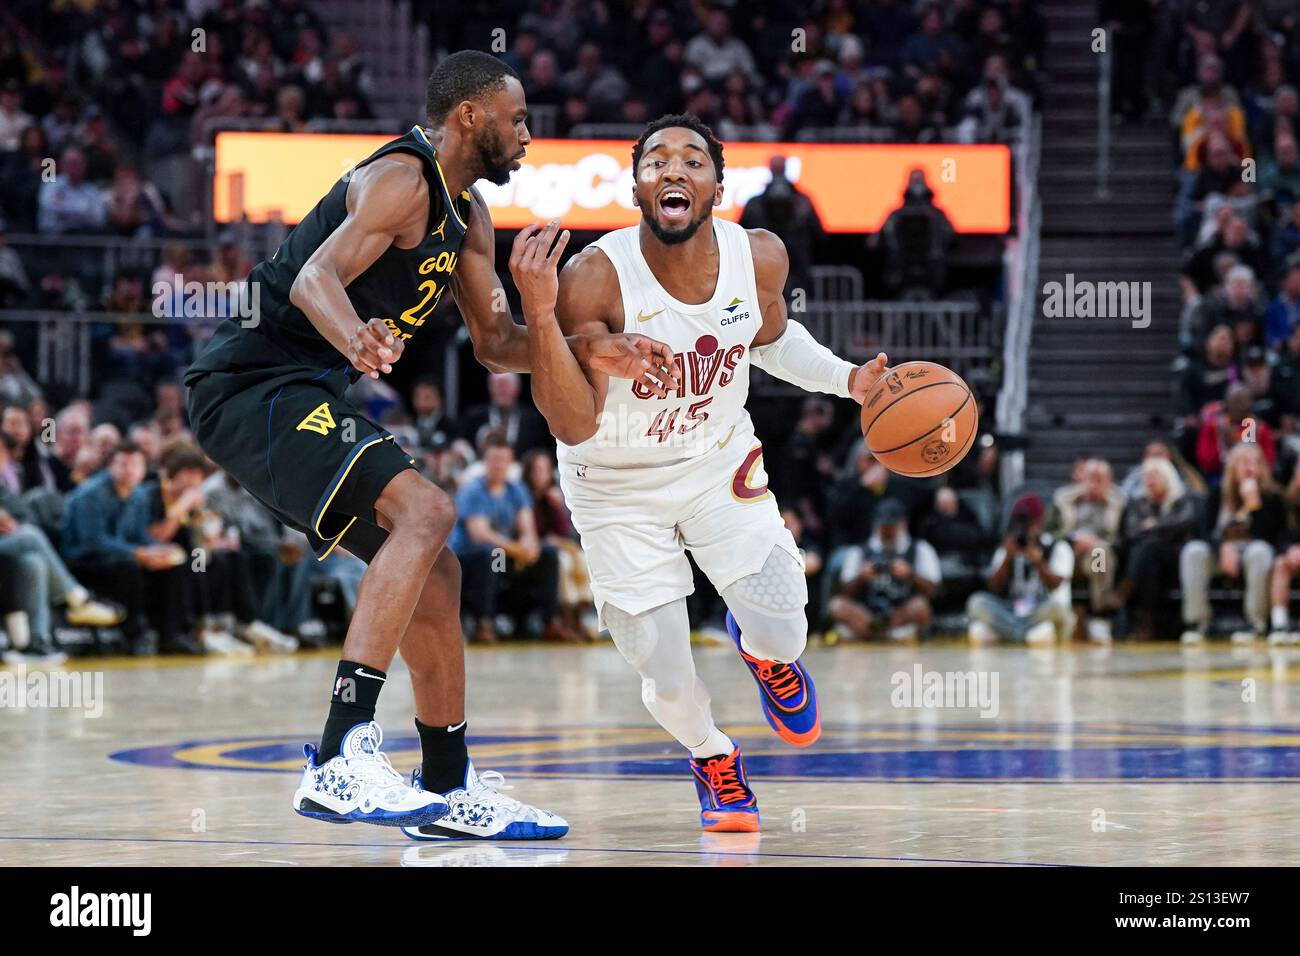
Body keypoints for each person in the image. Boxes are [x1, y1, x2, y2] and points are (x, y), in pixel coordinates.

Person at [185, 51, 674, 839]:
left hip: (302, 389)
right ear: (471, 116)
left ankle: (447, 789)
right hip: (250, 387)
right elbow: (315, 278)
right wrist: (357, 341)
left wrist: (584, 344)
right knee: (428, 511)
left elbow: (496, 343)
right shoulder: (403, 179)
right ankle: (339, 755)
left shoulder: (469, 217)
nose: (526, 136)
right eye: (516, 120)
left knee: (438, 572)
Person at [510, 113, 888, 832]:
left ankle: (762, 655)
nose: (673, 170)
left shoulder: (761, 257)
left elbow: (771, 339)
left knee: (785, 630)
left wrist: (849, 381)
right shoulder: (594, 274)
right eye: (656, 161)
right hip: (616, 484)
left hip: (715, 463)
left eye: (692, 160)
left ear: (718, 185)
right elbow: (569, 422)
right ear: (637, 187)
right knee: (663, 665)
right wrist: (580, 345)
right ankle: (713, 755)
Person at [450, 432, 571, 643]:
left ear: (511, 461)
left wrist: (530, 545)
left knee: (548, 554)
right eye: (494, 460)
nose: (499, 465)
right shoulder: (473, 490)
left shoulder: (517, 490)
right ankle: (484, 624)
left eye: (503, 460)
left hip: (505, 555)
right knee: (492, 555)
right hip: (471, 560)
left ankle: (551, 621)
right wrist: (517, 549)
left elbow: (528, 528)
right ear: (484, 462)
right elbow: (480, 534)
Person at [1181, 443, 1286, 643]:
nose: (1250, 468)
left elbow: (1274, 538)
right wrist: (1222, 546)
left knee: (1260, 552)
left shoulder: (1272, 496)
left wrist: (1254, 505)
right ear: (1232, 468)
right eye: (1244, 463)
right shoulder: (1215, 494)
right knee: (1193, 551)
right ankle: (1197, 622)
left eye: (1255, 463)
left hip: (1253, 552)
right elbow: (1201, 532)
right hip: (1220, 552)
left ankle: (1256, 623)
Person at [965, 494, 1074, 645]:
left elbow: (1056, 585)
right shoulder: (1009, 547)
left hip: (1040, 609)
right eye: (1024, 524)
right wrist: (1007, 559)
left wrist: (1038, 562)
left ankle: (1008, 635)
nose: (1028, 529)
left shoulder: (1058, 547)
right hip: (1012, 610)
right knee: (976, 602)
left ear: (1041, 521)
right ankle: (1024, 635)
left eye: (1032, 523)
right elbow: (993, 587)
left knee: (1057, 608)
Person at [826, 498, 940, 642]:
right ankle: (878, 632)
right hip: (868, 615)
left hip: (900, 614)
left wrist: (910, 575)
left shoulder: (921, 549)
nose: (887, 531)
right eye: (883, 526)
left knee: (920, 606)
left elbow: (933, 592)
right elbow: (845, 592)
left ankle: (883, 633)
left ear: (903, 523)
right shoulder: (858, 551)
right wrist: (861, 578)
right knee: (836, 605)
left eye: (891, 526)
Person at [1051, 458, 1125, 642]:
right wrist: (1072, 539)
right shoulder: (1062, 499)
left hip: (1099, 558)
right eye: (1091, 477)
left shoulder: (1119, 504)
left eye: (1100, 479)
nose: (1094, 483)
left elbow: (1125, 538)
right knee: (1061, 553)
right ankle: (1058, 616)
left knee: (1099, 553)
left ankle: (1099, 615)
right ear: (1082, 478)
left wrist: (1096, 543)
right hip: (1069, 554)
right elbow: (1048, 531)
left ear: (1109, 481)